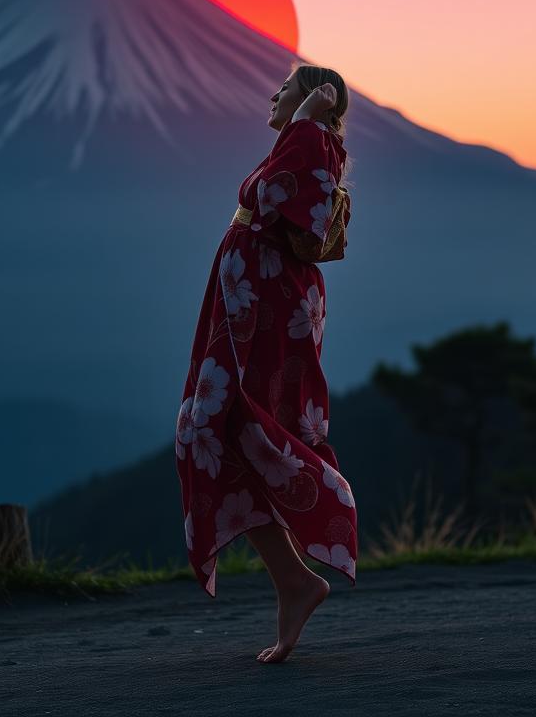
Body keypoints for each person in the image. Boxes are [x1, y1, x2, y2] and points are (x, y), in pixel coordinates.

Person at [174, 62, 358, 664]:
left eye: (287, 89)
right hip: (252, 298)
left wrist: (308, 119)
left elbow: (274, 197)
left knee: (222, 426)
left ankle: (315, 536)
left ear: (310, 103)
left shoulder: (311, 142)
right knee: (223, 430)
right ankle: (294, 580)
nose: (274, 95)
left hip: (267, 302)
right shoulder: (306, 144)